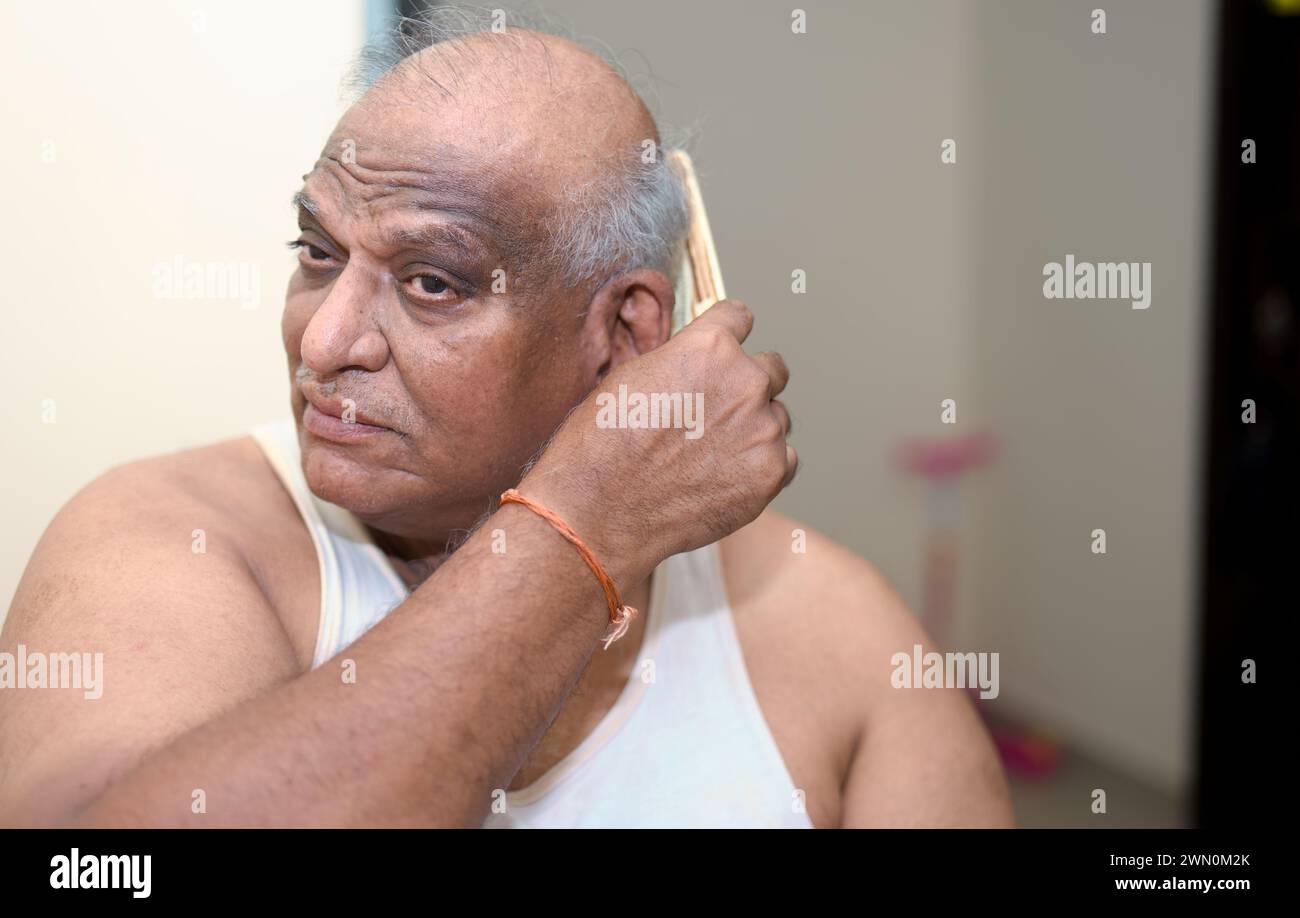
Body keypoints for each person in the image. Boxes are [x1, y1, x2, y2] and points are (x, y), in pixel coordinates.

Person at [0, 14, 1012, 828]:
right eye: (317, 252)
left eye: (431, 282)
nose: (322, 342)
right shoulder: (172, 541)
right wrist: (584, 526)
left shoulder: (824, 628)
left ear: (624, 334)